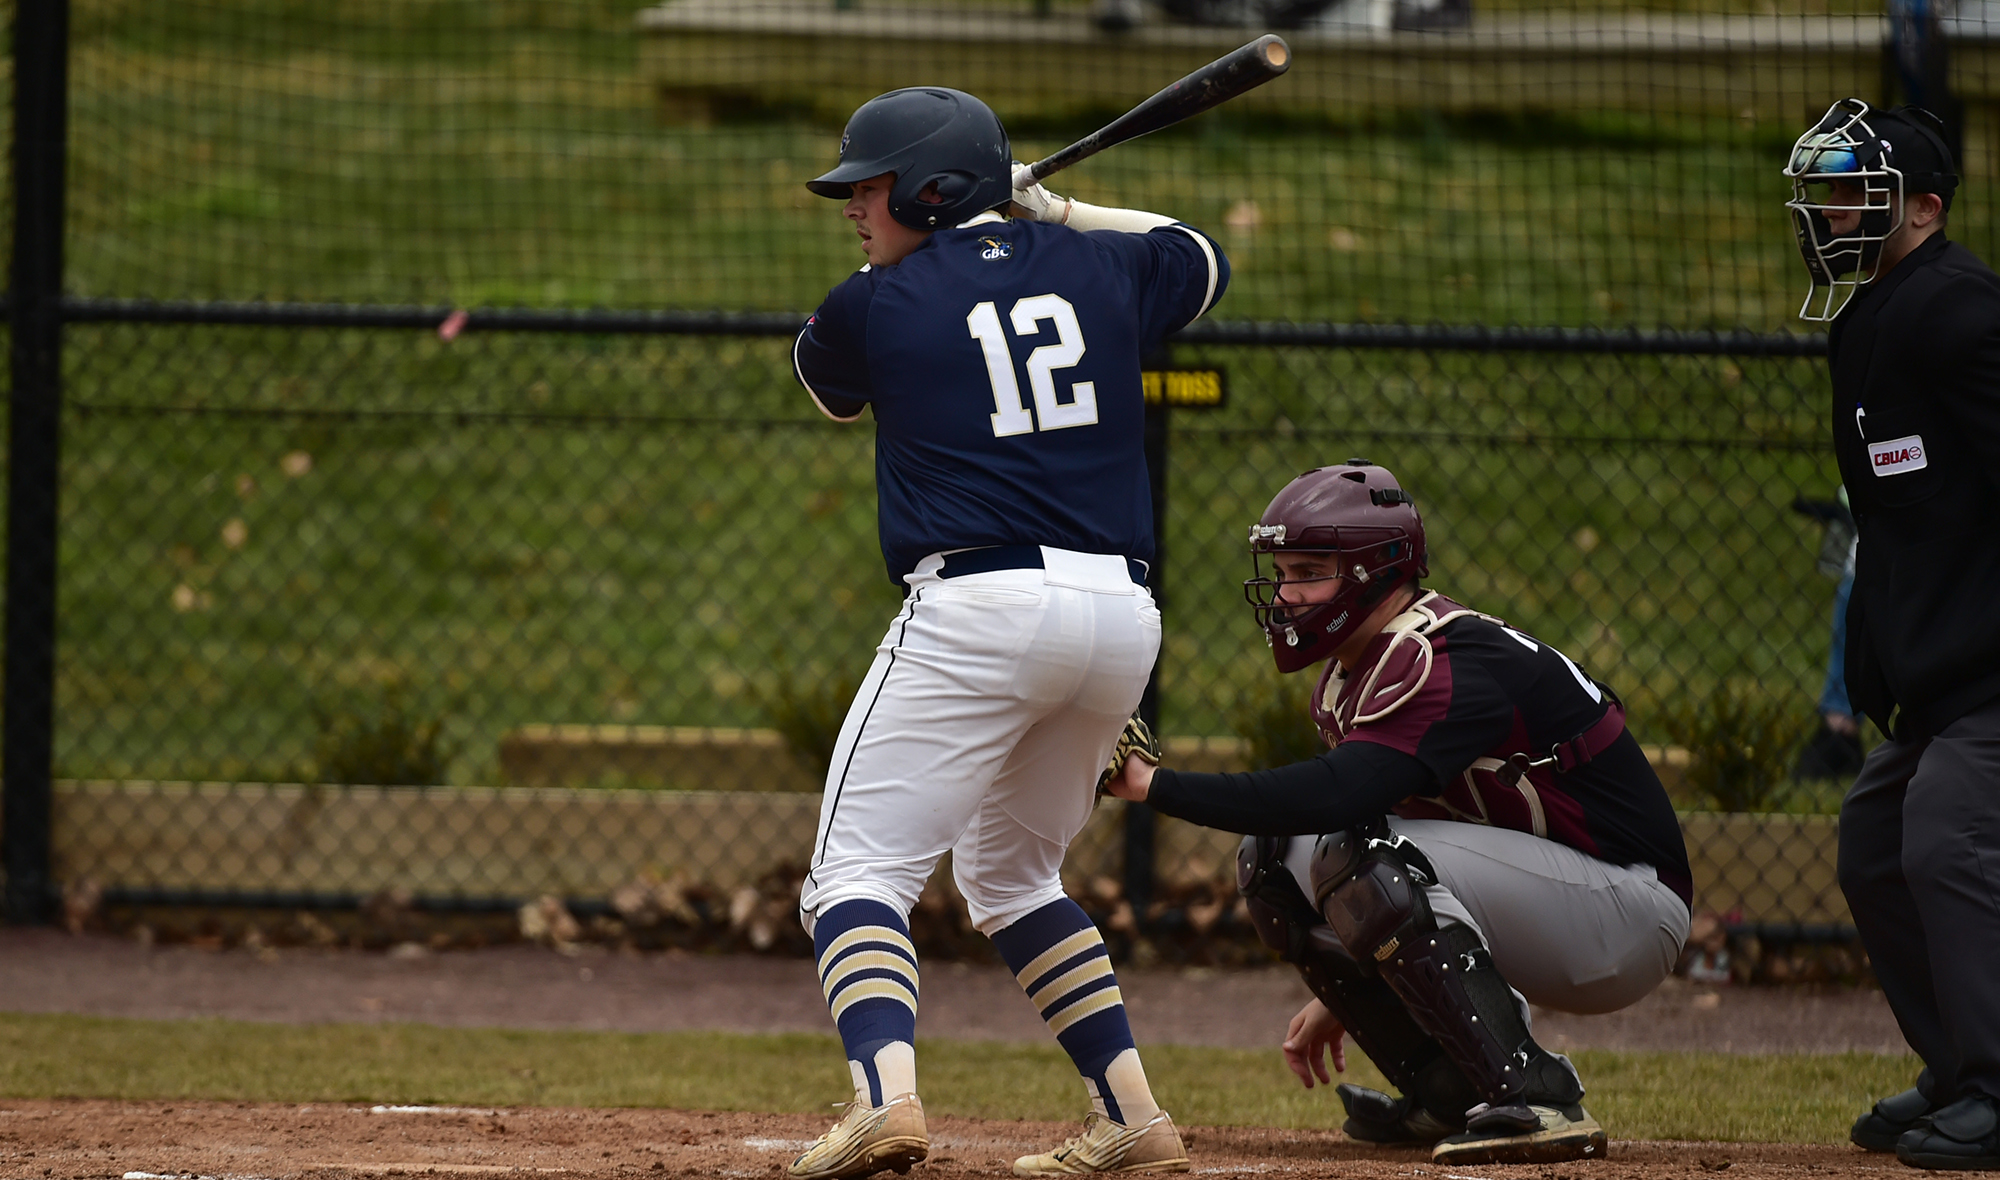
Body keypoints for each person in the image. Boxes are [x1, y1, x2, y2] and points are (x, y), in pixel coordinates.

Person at [785, 85, 1229, 1180]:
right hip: (1118, 619)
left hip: (979, 607)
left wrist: (992, 230)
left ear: (934, 192)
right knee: (1013, 877)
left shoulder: (873, 301)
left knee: (853, 873)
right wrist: (1064, 212)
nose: (854, 207)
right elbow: (1197, 253)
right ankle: (1131, 1113)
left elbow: (825, 388)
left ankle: (883, 1100)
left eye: (872, 186)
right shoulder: (1101, 268)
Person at [1101, 460, 1692, 1166]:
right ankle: (1448, 1089)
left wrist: (1154, 785)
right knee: (1274, 861)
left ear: (1378, 572)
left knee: (1354, 852)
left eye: (1309, 572)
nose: (1286, 595)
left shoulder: (1440, 659)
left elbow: (1334, 799)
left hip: (1630, 909)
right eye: (1283, 572)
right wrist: (1370, 978)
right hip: (1562, 892)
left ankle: (1537, 1094)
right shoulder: (1372, 661)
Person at [1785, 98, 2000, 1169]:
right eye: (1818, 194)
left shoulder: (1959, 309)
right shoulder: (1870, 319)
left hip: (1991, 675)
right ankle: (1961, 1065)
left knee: (1942, 836)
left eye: (1848, 193)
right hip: (1939, 680)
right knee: (1872, 841)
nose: (1824, 213)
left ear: (1920, 207)